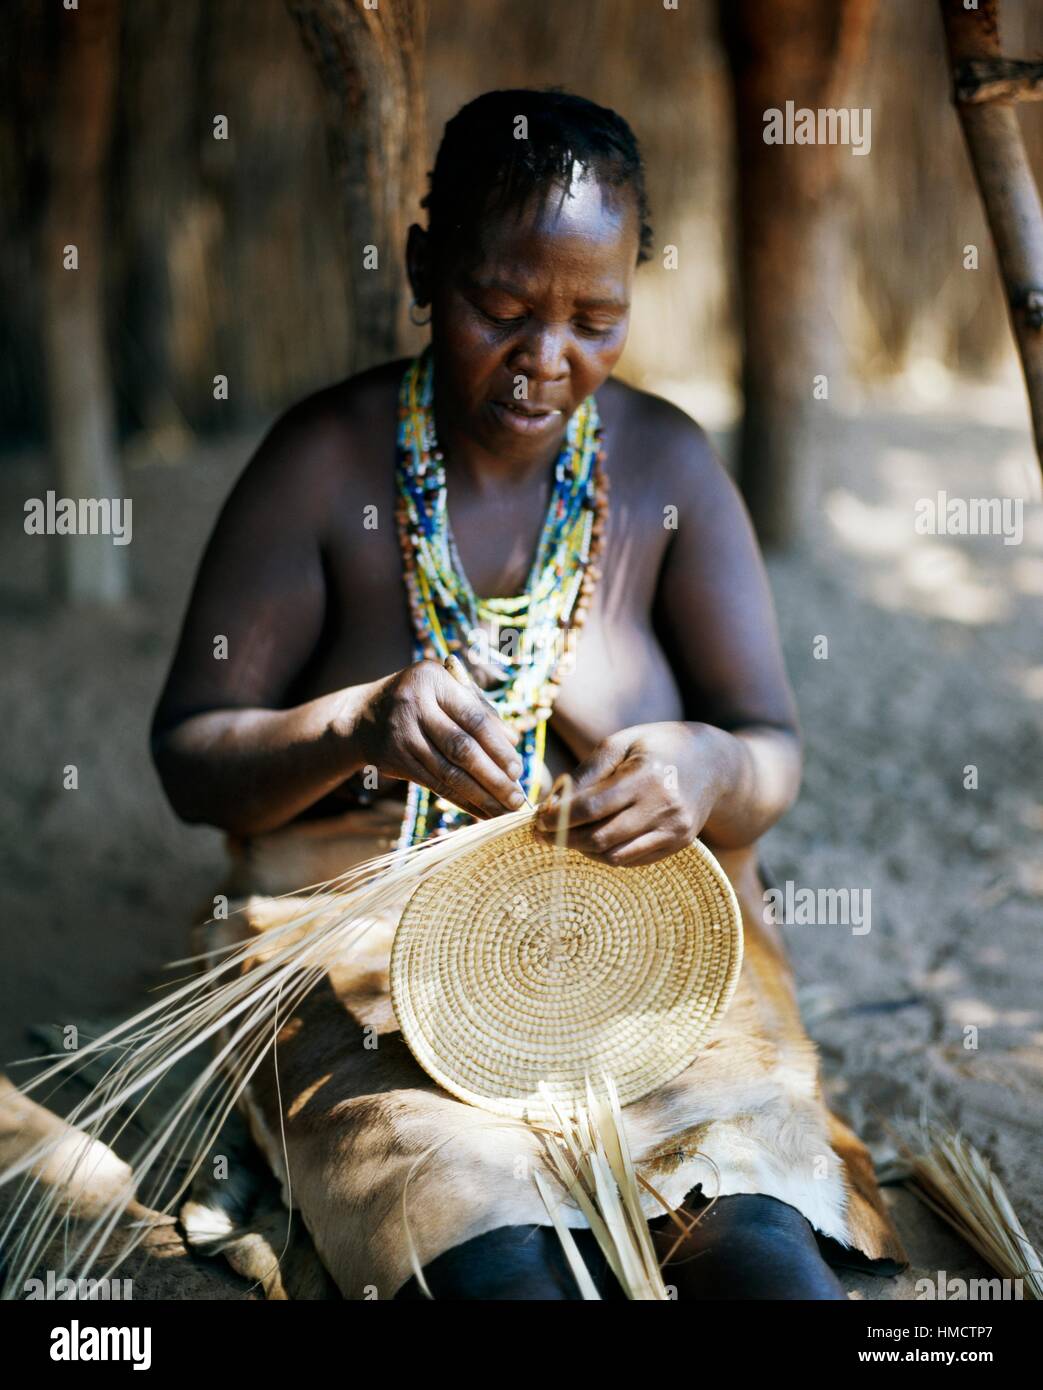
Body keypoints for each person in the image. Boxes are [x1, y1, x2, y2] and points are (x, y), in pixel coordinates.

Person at [151, 89, 906, 1299]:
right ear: (421, 267)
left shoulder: (663, 467)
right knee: (488, 1262)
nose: (546, 360)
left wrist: (710, 768)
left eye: (595, 319)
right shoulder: (322, 465)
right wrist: (353, 723)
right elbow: (190, 757)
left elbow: (768, 747)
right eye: (500, 309)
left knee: (756, 1248)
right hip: (371, 957)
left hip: (642, 942)